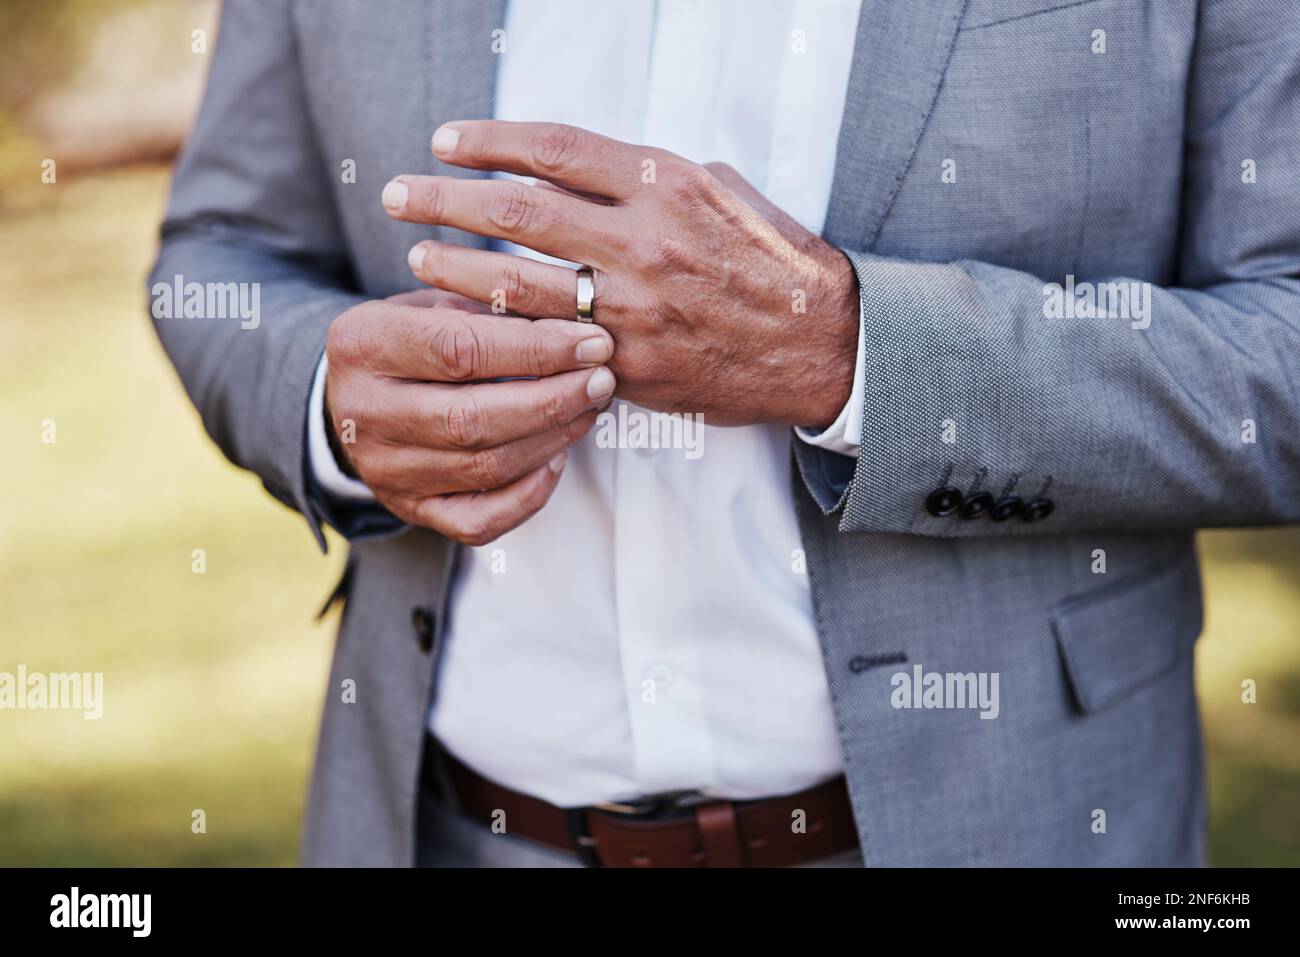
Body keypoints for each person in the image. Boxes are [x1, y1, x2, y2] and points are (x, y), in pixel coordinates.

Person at [150, 0, 1300, 866]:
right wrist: (328, 406)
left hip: (995, 826)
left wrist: (858, 356)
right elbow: (222, 247)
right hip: (449, 828)